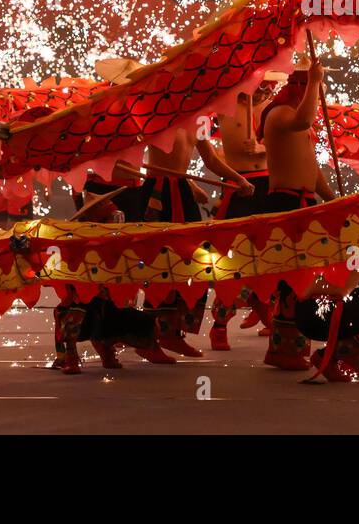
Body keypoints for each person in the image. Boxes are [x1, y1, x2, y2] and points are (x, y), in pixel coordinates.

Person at [102, 127, 252, 358]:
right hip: (156, 194)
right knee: (155, 261)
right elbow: (130, 146)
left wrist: (239, 179)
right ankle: (147, 337)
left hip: (181, 190)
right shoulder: (159, 116)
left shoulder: (197, 121)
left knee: (190, 259)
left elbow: (210, 159)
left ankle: (172, 333)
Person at [258, 56, 336, 370]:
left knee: (304, 278)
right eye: (315, 86)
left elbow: (311, 168)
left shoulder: (295, 117)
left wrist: (332, 199)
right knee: (291, 280)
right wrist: (315, 81)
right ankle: (283, 350)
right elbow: (303, 121)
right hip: (285, 202)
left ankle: (295, 346)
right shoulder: (278, 114)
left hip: (303, 203)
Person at [53, 187, 172, 374]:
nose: (117, 223)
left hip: (110, 306)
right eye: (111, 219)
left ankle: (110, 350)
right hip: (83, 307)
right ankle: (70, 356)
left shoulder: (120, 246)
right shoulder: (76, 247)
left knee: (148, 322)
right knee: (73, 315)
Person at [207, 73, 285, 351]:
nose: (266, 92)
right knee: (233, 259)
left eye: (270, 88)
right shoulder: (223, 108)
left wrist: (262, 149)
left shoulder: (269, 111)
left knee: (268, 256)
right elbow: (209, 153)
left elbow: (286, 150)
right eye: (263, 86)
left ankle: (267, 311)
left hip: (267, 184)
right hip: (238, 185)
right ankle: (219, 324)